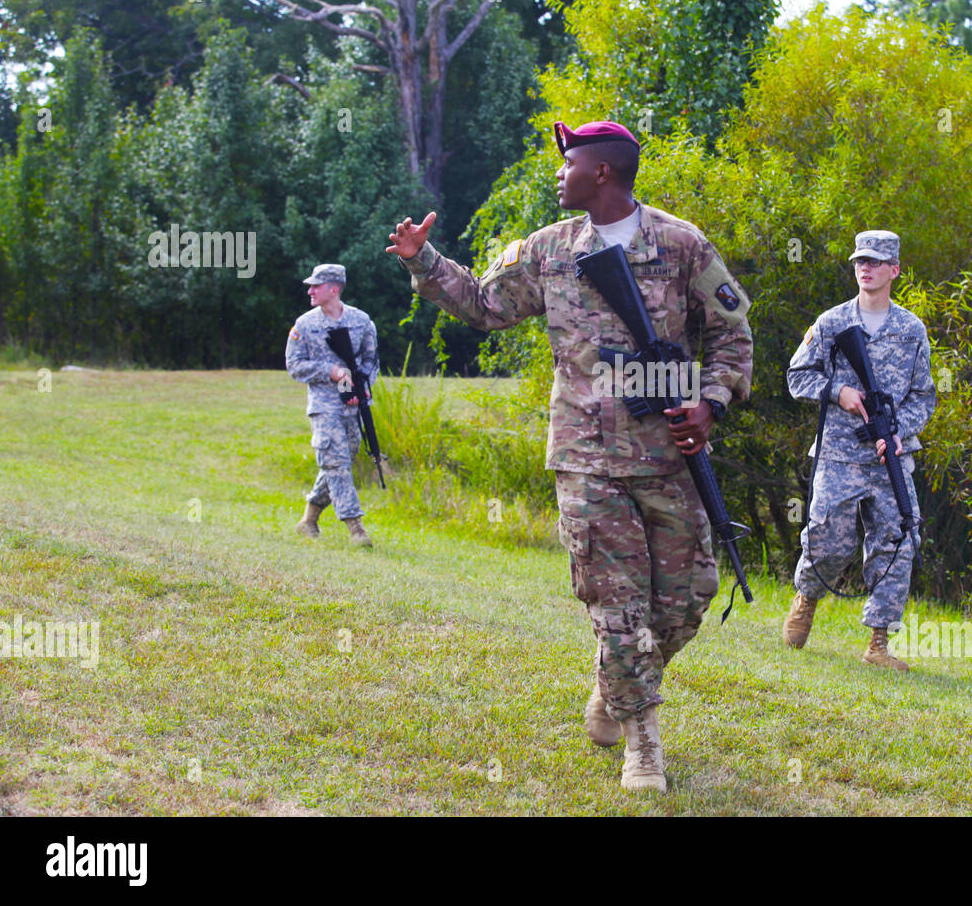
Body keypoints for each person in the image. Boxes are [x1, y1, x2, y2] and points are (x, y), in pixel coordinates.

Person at [386, 120, 753, 792]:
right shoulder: (548, 249)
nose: (559, 173)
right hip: (586, 456)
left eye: (569, 161)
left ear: (604, 172)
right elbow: (484, 306)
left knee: (687, 598)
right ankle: (643, 743)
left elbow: (732, 337)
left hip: (667, 455)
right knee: (617, 607)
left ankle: (613, 684)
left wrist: (711, 403)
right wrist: (423, 259)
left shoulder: (680, 244)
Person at [783, 230, 935, 669]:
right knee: (828, 539)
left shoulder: (911, 329)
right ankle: (807, 597)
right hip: (838, 455)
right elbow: (797, 377)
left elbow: (923, 396)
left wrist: (899, 432)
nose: (865, 268)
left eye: (875, 261)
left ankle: (878, 642)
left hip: (891, 457)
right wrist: (838, 392)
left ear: (895, 270)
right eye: (859, 261)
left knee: (898, 540)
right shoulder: (832, 322)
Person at [285, 263, 379, 548]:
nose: (310, 291)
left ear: (334, 289)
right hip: (324, 405)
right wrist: (330, 371)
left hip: (353, 405)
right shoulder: (305, 325)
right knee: (336, 462)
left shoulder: (362, 322)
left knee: (338, 461)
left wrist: (357, 390)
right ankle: (356, 528)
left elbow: (370, 362)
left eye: (316, 286)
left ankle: (308, 520)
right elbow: (294, 366)